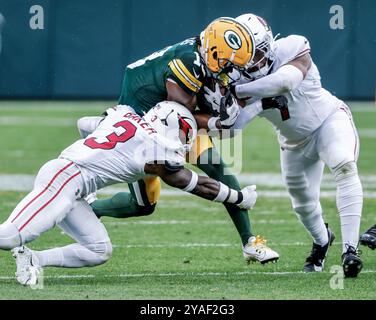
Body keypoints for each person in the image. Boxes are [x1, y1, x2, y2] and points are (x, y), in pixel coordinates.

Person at [77, 17, 279, 264]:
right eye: (229, 65)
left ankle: (250, 242)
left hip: (168, 121)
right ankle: (88, 210)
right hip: (140, 126)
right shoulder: (188, 62)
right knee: (142, 205)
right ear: (215, 53)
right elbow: (181, 116)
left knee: (217, 167)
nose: (232, 71)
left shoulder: (205, 57)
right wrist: (217, 121)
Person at [0, 101, 259, 286]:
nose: (183, 140)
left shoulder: (123, 114)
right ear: (170, 126)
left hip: (73, 183)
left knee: (98, 249)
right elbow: (194, 183)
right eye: (183, 133)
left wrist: (88, 159)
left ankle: (32, 259)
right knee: (10, 236)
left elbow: (84, 124)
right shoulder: (156, 146)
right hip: (64, 179)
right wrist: (239, 197)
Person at [208, 13, 363, 277]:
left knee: (344, 164)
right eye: (248, 55)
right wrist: (224, 113)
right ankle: (322, 241)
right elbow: (233, 129)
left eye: (258, 53)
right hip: (293, 142)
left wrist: (241, 92)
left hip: (329, 121)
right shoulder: (239, 77)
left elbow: (286, 81)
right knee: (302, 204)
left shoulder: (291, 47)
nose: (254, 61)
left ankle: (350, 250)